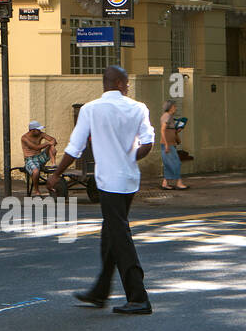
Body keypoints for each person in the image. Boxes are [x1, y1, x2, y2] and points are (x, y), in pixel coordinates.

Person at [47, 66, 155, 315]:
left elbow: (75, 148)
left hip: (109, 183)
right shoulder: (139, 108)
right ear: (117, 82)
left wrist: (55, 174)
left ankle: (139, 297)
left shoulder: (91, 110)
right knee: (111, 234)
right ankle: (100, 291)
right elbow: (147, 143)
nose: (127, 87)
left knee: (120, 237)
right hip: (129, 181)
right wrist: (129, 157)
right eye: (126, 83)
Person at [21, 121, 58, 196]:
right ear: (32, 130)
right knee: (36, 172)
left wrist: (52, 144)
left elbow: (53, 139)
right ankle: (36, 190)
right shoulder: (24, 138)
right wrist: (48, 143)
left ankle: (53, 163)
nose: (40, 131)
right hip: (30, 159)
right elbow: (35, 147)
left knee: (51, 146)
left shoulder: (41, 134)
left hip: (39, 157)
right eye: (38, 130)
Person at [159, 100, 188, 190]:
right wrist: (167, 144)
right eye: (174, 106)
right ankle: (179, 182)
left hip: (170, 144)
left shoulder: (169, 117)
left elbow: (169, 130)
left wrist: (176, 131)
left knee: (168, 164)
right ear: (170, 107)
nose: (175, 108)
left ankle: (165, 183)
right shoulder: (167, 116)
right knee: (176, 163)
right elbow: (163, 130)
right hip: (168, 145)